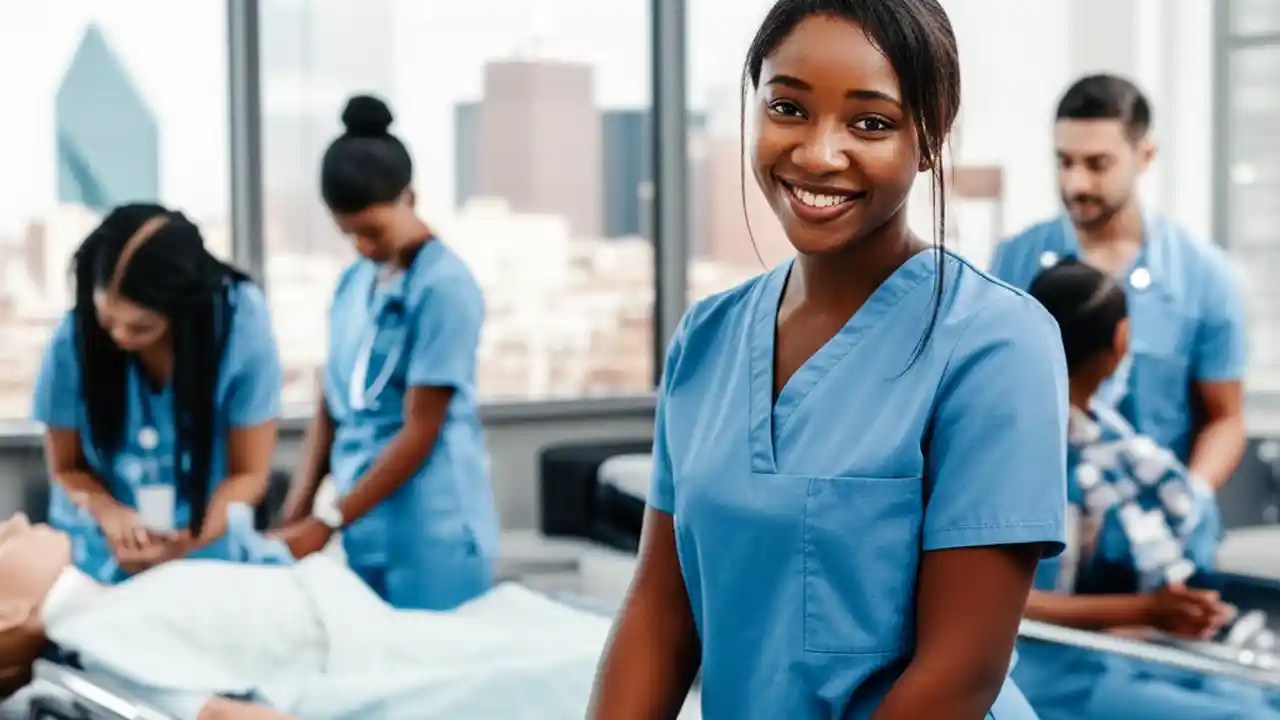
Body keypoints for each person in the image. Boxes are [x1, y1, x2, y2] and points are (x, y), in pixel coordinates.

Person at [590, 1, 1068, 717]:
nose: (817, 153)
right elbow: (659, 617)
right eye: (787, 108)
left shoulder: (995, 344)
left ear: (931, 137)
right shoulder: (706, 340)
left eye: (870, 122)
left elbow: (960, 676)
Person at [0, 512, 609, 720]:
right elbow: (216, 713)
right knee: (572, 661)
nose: (17, 524)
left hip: (367, 628)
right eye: (3, 540)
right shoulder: (98, 640)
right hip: (372, 662)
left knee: (547, 632)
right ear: (9, 613)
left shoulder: (111, 614)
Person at [1012, 260, 1280, 720]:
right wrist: (1147, 610)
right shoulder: (1034, 452)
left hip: (1115, 645)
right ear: (1122, 341)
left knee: (1261, 696)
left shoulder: (1100, 437)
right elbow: (1016, 605)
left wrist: (1157, 612)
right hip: (1052, 670)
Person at [274, 95, 499, 611]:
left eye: (372, 232)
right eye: (348, 234)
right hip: (365, 526)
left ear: (410, 198)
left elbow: (421, 429)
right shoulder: (354, 285)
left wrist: (329, 519)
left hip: (431, 529)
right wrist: (299, 509)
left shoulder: (444, 288)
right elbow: (332, 403)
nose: (363, 248)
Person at [990, 75, 1247, 497]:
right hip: (1043, 527)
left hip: (1155, 534)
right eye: (1064, 161)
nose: (1075, 184)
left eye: (1097, 164)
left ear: (1145, 155)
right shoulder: (1015, 260)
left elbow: (1226, 417)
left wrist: (1190, 500)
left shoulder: (1202, 276)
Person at [31, 204, 282, 583]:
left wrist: (189, 541)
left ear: (183, 312)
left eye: (141, 328)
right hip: (101, 557)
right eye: (107, 321)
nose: (119, 338)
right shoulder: (75, 337)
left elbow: (249, 472)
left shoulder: (238, 323)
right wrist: (111, 515)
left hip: (206, 551)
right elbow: (66, 468)